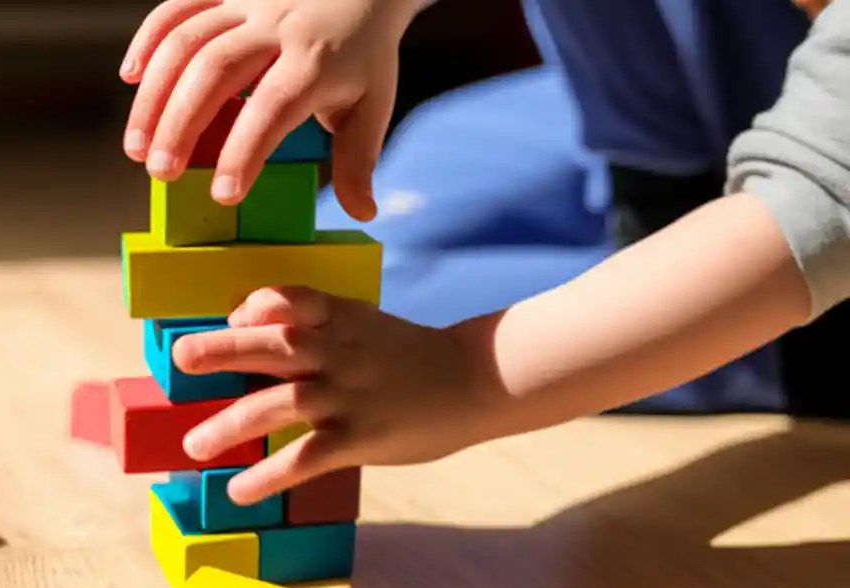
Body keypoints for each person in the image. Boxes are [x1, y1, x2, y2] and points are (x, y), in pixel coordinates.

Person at [117, 0, 850, 504]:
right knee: (322, 259)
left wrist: (464, 378)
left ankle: (787, 342)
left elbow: (819, 200)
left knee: (346, 319)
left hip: (809, 204)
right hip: (634, 117)